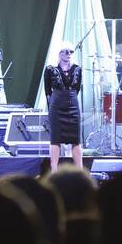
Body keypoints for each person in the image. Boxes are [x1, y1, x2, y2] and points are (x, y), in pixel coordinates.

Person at [44, 42, 83, 172]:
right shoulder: (50, 69)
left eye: (71, 52)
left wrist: (70, 97)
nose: (69, 54)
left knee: (76, 139)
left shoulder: (77, 68)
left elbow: (77, 88)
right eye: (66, 52)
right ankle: (54, 170)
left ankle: (80, 170)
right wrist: (53, 103)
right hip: (56, 104)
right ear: (59, 53)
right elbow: (47, 90)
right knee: (55, 139)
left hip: (72, 103)